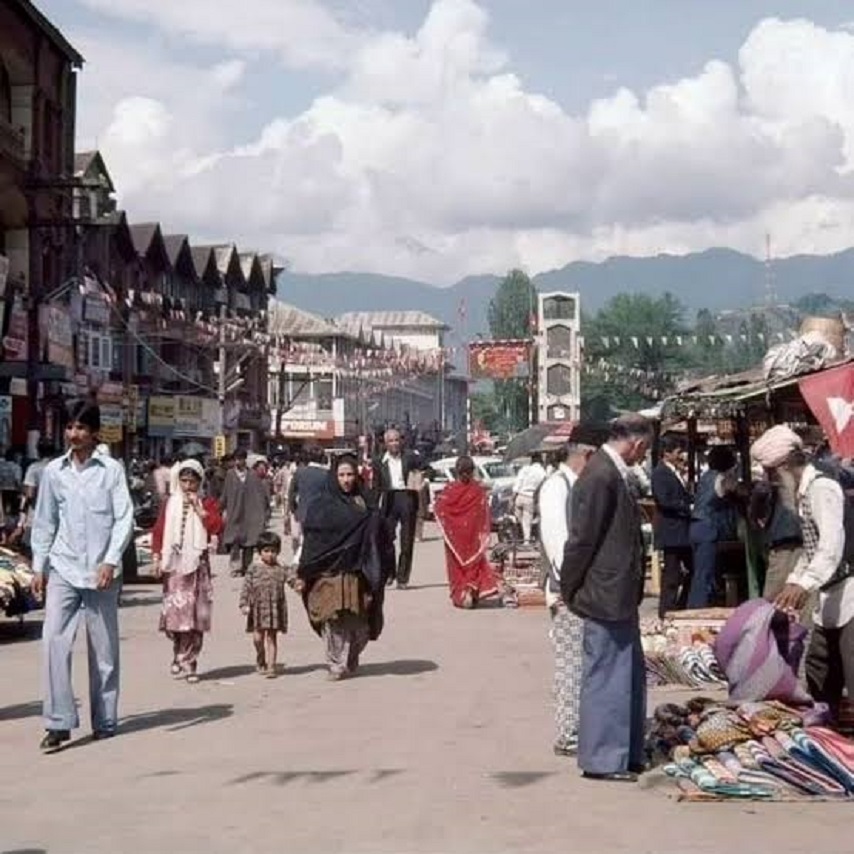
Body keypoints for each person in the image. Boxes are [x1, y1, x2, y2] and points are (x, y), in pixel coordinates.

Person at [30, 401, 134, 751]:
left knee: (103, 650)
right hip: (64, 567)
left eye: (81, 428)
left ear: (94, 433)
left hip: (102, 572)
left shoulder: (111, 471)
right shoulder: (53, 472)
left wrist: (110, 560)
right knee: (53, 643)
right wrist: (39, 567)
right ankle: (58, 722)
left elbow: (124, 518)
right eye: (70, 427)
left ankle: (105, 718)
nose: (74, 434)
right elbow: (44, 522)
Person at [561, 415, 652, 782]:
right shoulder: (599, 475)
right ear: (637, 444)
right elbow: (581, 540)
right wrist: (571, 586)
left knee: (627, 675)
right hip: (604, 592)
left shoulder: (612, 473)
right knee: (607, 677)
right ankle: (603, 758)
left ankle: (625, 752)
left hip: (619, 592)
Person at [756, 430, 854, 727]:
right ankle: (828, 729)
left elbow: (830, 545)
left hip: (848, 587)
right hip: (830, 591)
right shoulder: (803, 493)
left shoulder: (822, 488)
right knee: (819, 665)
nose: (769, 479)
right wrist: (794, 579)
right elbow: (810, 549)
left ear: (784, 465)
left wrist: (804, 583)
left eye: (771, 472)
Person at [298, 454, 392, 680]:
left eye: (350, 474)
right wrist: (303, 571)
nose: (346, 479)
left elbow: (381, 539)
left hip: (357, 574)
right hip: (328, 575)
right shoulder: (321, 506)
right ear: (334, 476)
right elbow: (312, 542)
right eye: (341, 475)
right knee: (333, 620)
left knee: (358, 623)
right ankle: (335, 663)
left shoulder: (366, 504)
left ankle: (349, 658)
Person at [538, 443, 592, 757]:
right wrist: (564, 590)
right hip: (567, 591)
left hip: (575, 589)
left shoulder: (574, 486)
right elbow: (559, 543)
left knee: (580, 662)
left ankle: (580, 726)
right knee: (571, 664)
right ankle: (569, 733)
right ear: (585, 455)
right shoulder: (556, 488)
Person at [151, 459, 223, 683]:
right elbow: (159, 532)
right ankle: (177, 653)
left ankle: (191, 662)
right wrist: (156, 558)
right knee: (175, 617)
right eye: (184, 481)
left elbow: (216, 527)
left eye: (193, 481)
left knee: (195, 618)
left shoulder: (207, 503)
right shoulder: (170, 504)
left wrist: (200, 510)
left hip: (197, 566)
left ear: (200, 482)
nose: (188, 486)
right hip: (175, 567)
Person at [434, 455, 506, 609]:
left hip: (455, 539)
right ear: (473, 471)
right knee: (473, 564)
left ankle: (462, 595)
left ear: (457, 471)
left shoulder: (450, 490)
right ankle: (471, 592)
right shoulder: (477, 490)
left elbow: (439, 507)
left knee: (457, 567)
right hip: (472, 537)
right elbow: (483, 513)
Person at [687, 445, 739, 608]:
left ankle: (700, 605)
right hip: (709, 528)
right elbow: (733, 492)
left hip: (696, 526)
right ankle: (696, 611)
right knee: (704, 575)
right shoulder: (722, 478)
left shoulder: (706, 476)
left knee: (701, 572)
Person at [651, 435, 694, 618]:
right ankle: (667, 611)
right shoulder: (660, 473)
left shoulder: (674, 471)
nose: (681, 455)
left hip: (681, 532)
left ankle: (679, 605)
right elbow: (665, 501)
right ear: (667, 453)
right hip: (671, 532)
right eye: (678, 451)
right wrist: (688, 508)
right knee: (671, 575)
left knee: (692, 569)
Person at [240, 530, 291, 678]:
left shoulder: (281, 568)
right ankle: (260, 657)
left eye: (273, 551)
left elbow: (292, 579)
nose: (270, 554)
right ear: (259, 552)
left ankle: (271, 666)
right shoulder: (254, 568)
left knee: (271, 637)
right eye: (266, 551)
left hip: (275, 608)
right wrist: (243, 604)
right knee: (257, 638)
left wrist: (299, 585)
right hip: (257, 609)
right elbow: (246, 587)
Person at [374, 428, 421, 589]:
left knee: (406, 541)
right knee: (386, 539)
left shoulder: (410, 457)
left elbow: (428, 468)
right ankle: (390, 572)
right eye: (391, 441)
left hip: (407, 497)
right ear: (385, 444)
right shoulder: (379, 461)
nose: (394, 443)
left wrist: (420, 479)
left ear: (400, 441)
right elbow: (376, 487)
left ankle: (403, 578)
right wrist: (372, 508)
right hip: (389, 499)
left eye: (396, 440)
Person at [221, 449, 270, 577]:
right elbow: (225, 494)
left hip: (250, 514)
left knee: (250, 541)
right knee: (235, 541)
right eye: (236, 459)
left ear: (245, 460)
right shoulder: (230, 475)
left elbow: (261, 494)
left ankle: (247, 566)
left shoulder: (253, 475)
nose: (238, 462)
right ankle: (235, 568)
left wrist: (264, 512)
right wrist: (222, 509)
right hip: (234, 512)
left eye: (240, 459)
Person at [287, 446, 329, 561]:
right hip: (321, 515)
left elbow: (291, 493)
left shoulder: (300, 472)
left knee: (303, 540)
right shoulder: (327, 474)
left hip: (303, 514)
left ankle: (298, 561)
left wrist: (294, 510)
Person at [513, 453, 546, 545]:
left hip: (519, 496)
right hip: (530, 497)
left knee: (518, 519)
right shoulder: (542, 472)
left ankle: (517, 537)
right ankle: (526, 540)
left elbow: (517, 484)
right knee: (527, 521)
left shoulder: (525, 469)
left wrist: (512, 498)